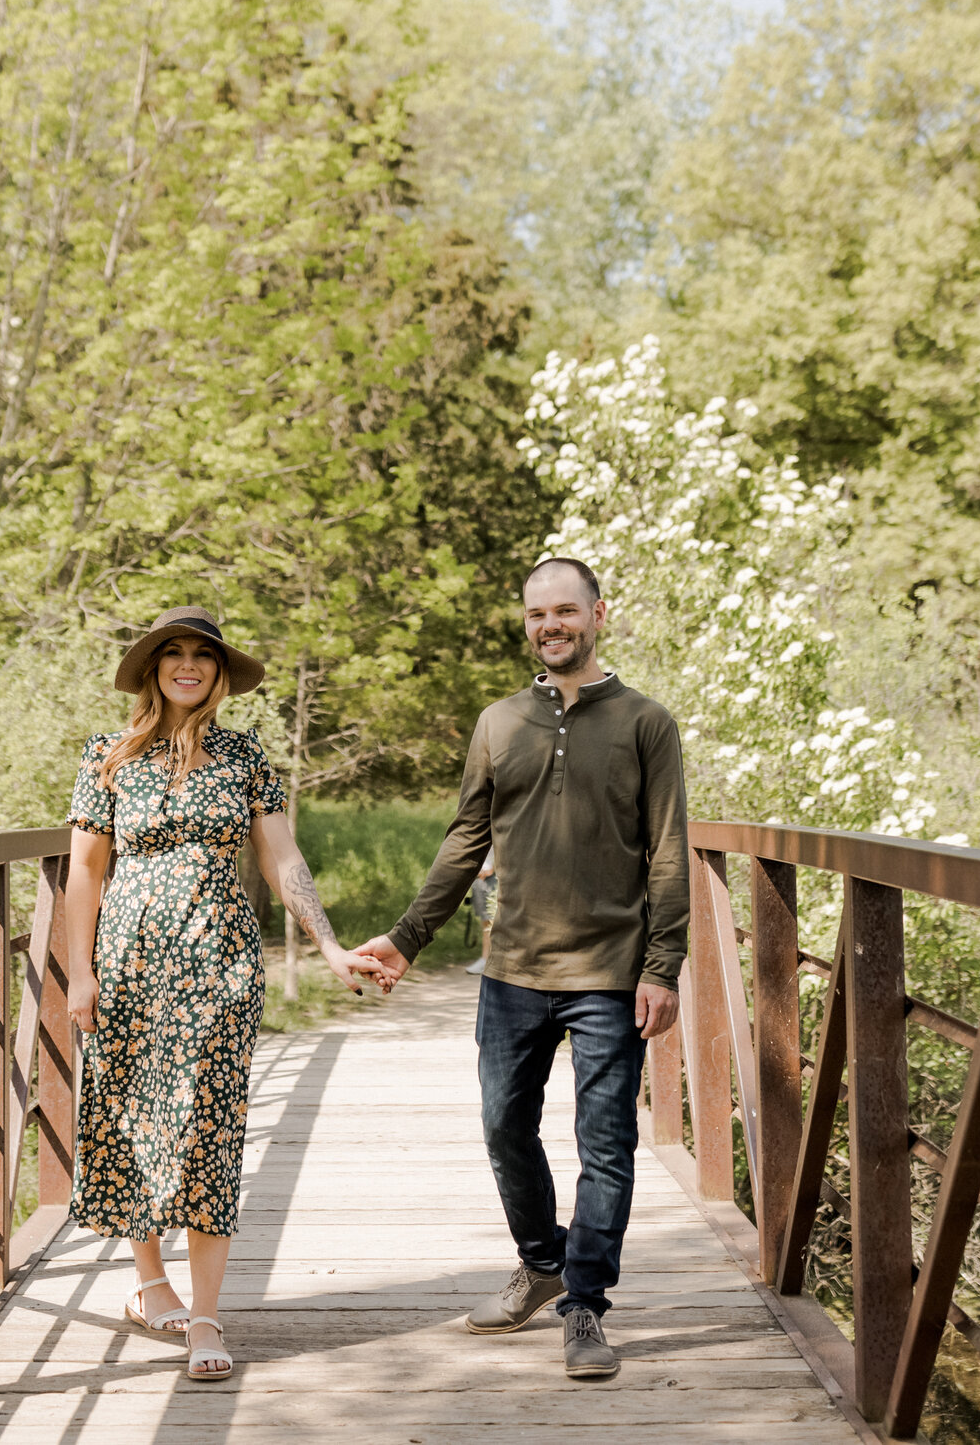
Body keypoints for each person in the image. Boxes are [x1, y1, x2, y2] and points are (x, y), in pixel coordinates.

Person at [357, 558, 688, 1380]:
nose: (551, 625)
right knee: (505, 1126)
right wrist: (407, 937)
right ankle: (541, 1263)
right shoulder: (499, 722)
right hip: (511, 969)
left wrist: (663, 965)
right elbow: (466, 839)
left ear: (598, 614)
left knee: (605, 1145)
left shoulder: (647, 722)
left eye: (566, 610)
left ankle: (584, 1304)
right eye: (538, 614)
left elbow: (670, 851)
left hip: (610, 973)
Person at [64, 606, 386, 1381]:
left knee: (210, 1128)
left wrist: (331, 945)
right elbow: (85, 870)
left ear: (217, 672)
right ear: (152, 669)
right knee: (132, 1120)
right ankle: (150, 1282)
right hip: (130, 967)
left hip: (219, 968)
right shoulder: (107, 756)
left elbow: (282, 859)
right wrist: (79, 970)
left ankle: (206, 1315)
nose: (186, 665)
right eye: (171, 653)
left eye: (200, 655)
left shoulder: (242, 757)